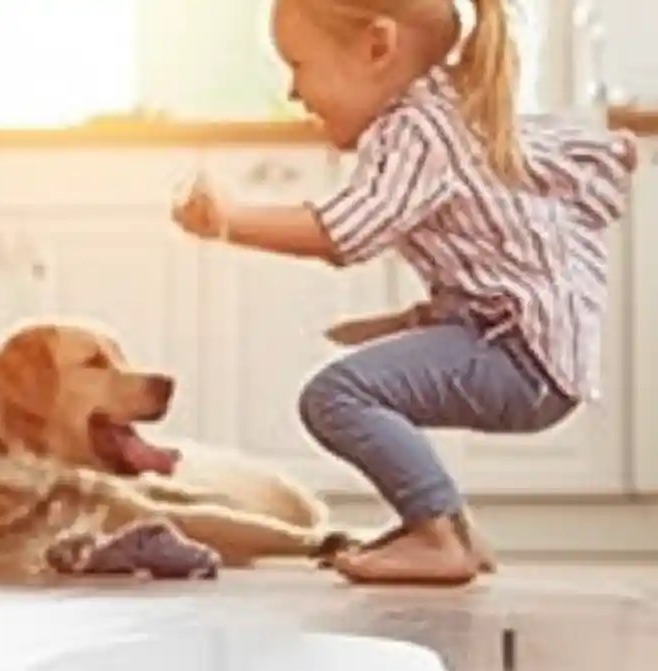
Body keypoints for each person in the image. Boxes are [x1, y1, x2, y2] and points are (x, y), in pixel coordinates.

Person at [171, 0, 637, 585]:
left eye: (298, 64)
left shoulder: (415, 128)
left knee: (337, 396)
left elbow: (347, 231)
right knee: (351, 389)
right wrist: (401, 323)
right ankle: (451, 531)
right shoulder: (447, 110)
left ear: (376, 48)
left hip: (522, 359)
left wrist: (230, 219)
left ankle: (438, 537)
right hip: (531, 352)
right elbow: (493, 266)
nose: (293, 91)